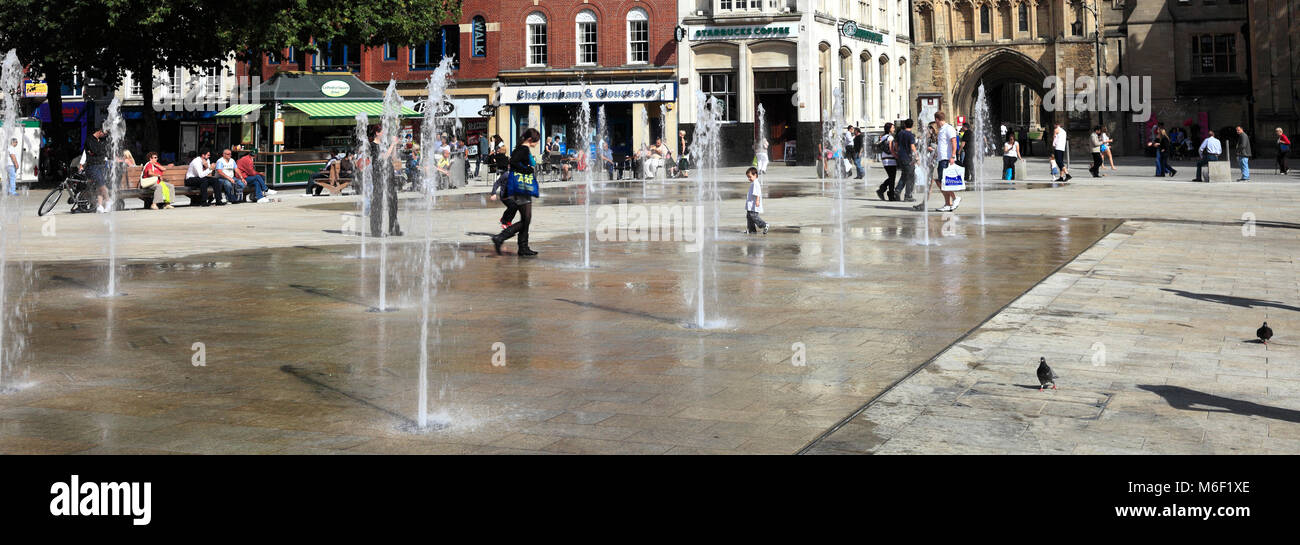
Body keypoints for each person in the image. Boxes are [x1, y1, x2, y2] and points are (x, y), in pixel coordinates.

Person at [490, 127, 541, 256]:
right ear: (530, 139)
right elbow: (512, 162)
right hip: (521, 187)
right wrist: (527, 170)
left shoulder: (521, 148)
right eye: (536, 141)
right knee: (526, 219)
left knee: (526, 218)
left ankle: (523, 247)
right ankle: (501, 238)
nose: (536, 144)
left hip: (521, 187)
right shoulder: (523, 149)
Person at [366, 125, 402, 237]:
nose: (385, 134)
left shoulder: (384, 144)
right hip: (379, 175)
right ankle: (376, 230)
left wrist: (394, 145)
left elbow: (393, 157)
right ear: (377, 133)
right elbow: (383, 157)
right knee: (378, 202)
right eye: (383, 132)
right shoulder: (373, 146)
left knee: (393, 201)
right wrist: (392, 144)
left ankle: (393, 228)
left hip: (389, 174)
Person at [935, 112, 960, 211]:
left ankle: (954, 198)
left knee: (944, 182)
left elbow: (954, 141)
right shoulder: (942, 129)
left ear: (937, 119)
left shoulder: (948, 128)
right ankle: (947, 204)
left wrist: (953, 156)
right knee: (940, 182)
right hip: (941, 159)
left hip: (946, 159)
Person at [83, 129, 112, 212]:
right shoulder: (90, 140)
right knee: (101, 184)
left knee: (99, 186)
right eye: (104, 134)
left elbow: (103, 152)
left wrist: (98, 152)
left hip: (101, 165)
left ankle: (100, 206)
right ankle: (108, 200)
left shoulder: (100, 140)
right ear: (100, 131)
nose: (105, 136)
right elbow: (96, 151)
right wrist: (97, 152)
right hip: (93, 165)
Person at [893, 119, 917, 201]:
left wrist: (898, 152)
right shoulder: (910, 135)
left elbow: (896, 144)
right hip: (908, 158)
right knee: (911, 176)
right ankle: (908, 195)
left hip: (901, 157)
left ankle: (897, 191)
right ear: (912, 125)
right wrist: (917, 156)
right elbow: (912, 146)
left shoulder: (900, 133)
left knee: (904, 174)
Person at [876, 122, 896, 200]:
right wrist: (896, 156)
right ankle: (888, 193)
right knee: (892, 177)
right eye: (893, 127)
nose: (894, 129)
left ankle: (884, 189)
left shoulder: (883, 137)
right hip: (891, 159)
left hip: (884, 158)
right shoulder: (890, 137)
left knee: (891, 177)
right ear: (889, 129)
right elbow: (891, 149)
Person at [744, 166, 768, 234]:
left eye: (750, 176)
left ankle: (764, 225)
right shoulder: (753, 183)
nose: (749, 178)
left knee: (754, 217)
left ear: (755, 175)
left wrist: (757, 201)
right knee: (749, 217)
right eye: (748, 177)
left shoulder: (755, 183)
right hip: (750, 205)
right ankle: (752, 230)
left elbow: (758, 193)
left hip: (753, 205)